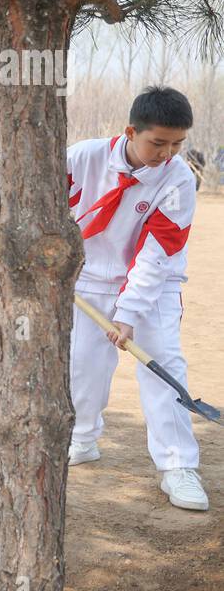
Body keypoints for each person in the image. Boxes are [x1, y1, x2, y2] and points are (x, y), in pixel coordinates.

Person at [67, 86, 205, 511]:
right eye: (157, 142)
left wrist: (127, 314)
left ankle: (178, 466)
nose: (167, 152)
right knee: (84, 367)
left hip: (154, 286)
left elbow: (158, 252)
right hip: (89, 279)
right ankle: (82, 439)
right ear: (131, 130)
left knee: (162, 367)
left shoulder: (179, 178)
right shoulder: (80, 157)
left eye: (177, 143)